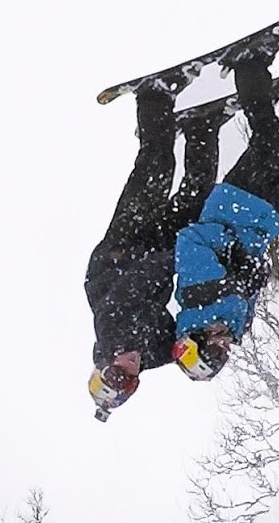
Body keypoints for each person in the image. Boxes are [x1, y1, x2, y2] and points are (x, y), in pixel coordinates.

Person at [171, 45, 279, 382]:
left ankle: (249, 65)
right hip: (262, 219)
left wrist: (232, 248)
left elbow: (190, 240)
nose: (224, 350)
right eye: (221, 359)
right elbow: (250, 276)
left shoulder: (198, 299)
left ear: (196, 342)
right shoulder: (234, 323)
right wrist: (254, 266)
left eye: (213, 353)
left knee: (268, 140)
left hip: (235, 206)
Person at [84, 74, 231, 416]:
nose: (130, 369)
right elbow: (188, 338)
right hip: (162, 251)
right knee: (197, 195)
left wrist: (182, 258)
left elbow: (142, 276)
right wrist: (211, 345)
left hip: (124, 246)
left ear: (104, 364)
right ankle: (201, 129)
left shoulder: (110, 326)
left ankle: (154, 98)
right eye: (130, 381)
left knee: (156, 170)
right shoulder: (155, 353)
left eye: (117, 373)